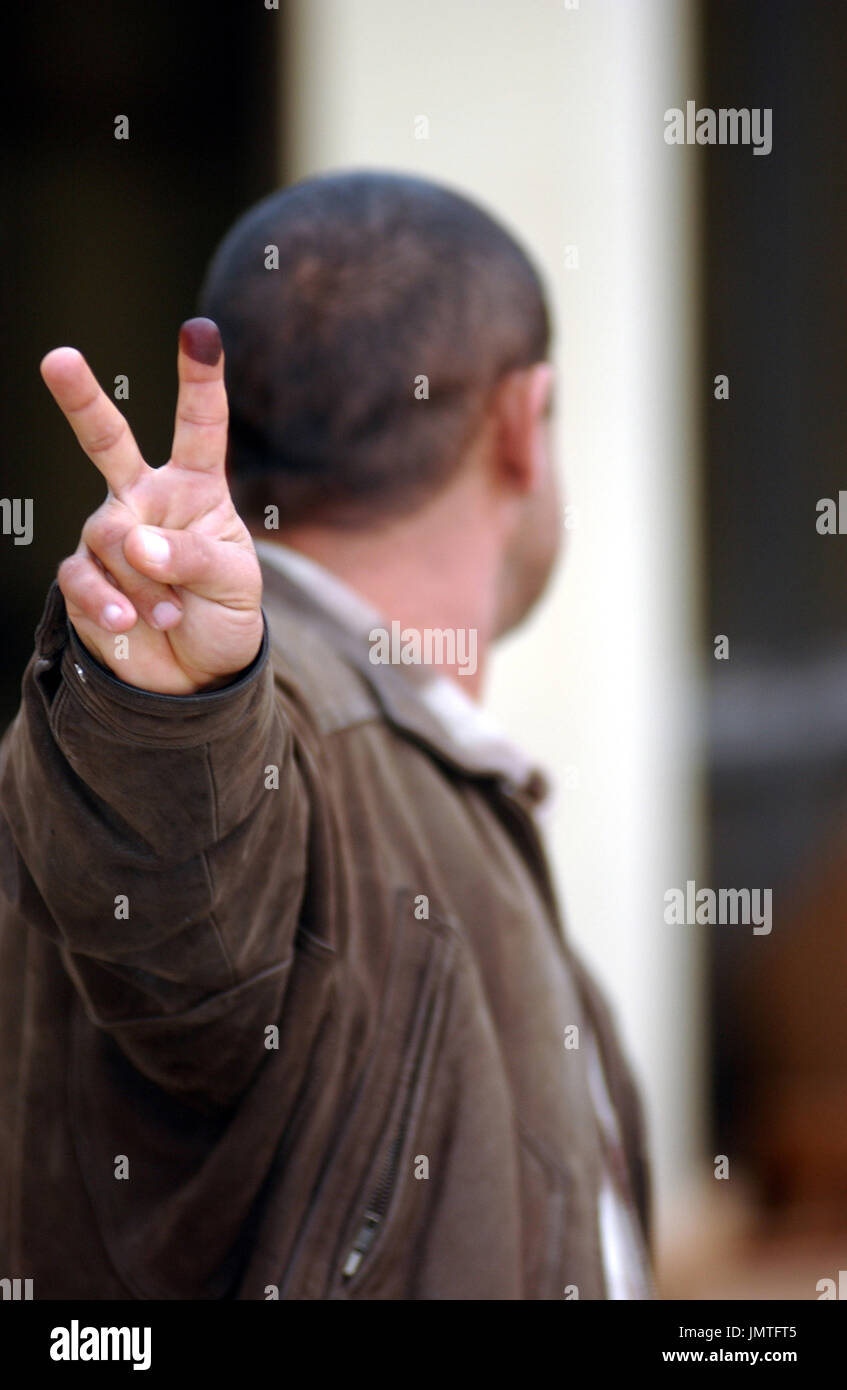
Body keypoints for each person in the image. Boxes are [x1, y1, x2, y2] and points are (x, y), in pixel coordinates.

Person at [0, 170, 653, 1300]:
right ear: (520, 424)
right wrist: (165, 713)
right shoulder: (272, 721)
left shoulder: (417, 750)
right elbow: (176, 921)